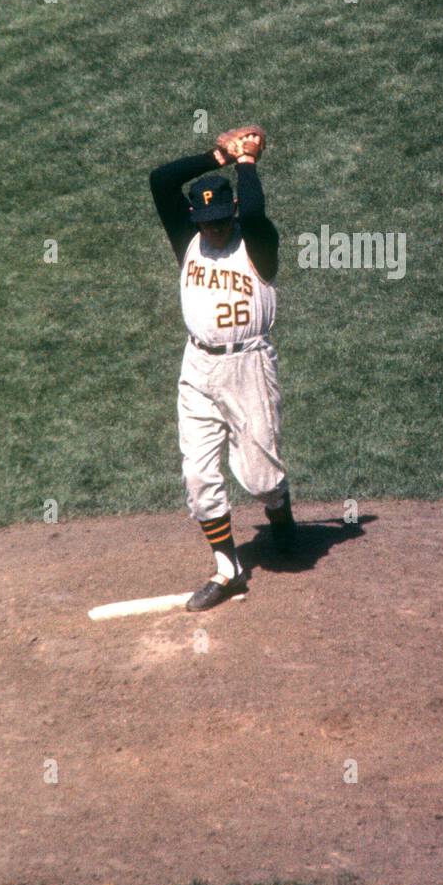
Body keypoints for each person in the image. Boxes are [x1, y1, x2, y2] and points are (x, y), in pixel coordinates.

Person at [149, 125, 296, 611]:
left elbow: (253, 209)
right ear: (195, 217)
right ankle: (227, 568)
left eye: (220, 218)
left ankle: (280, 514)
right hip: (197, 367)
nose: (213, 228)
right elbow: (160, 180)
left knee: (259, 478)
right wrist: (217, 153)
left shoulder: (256, 241)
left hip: (248, 366)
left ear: (231, 211)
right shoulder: (186, 239)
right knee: (198, 475)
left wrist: (247, 163)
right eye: (205, 220)